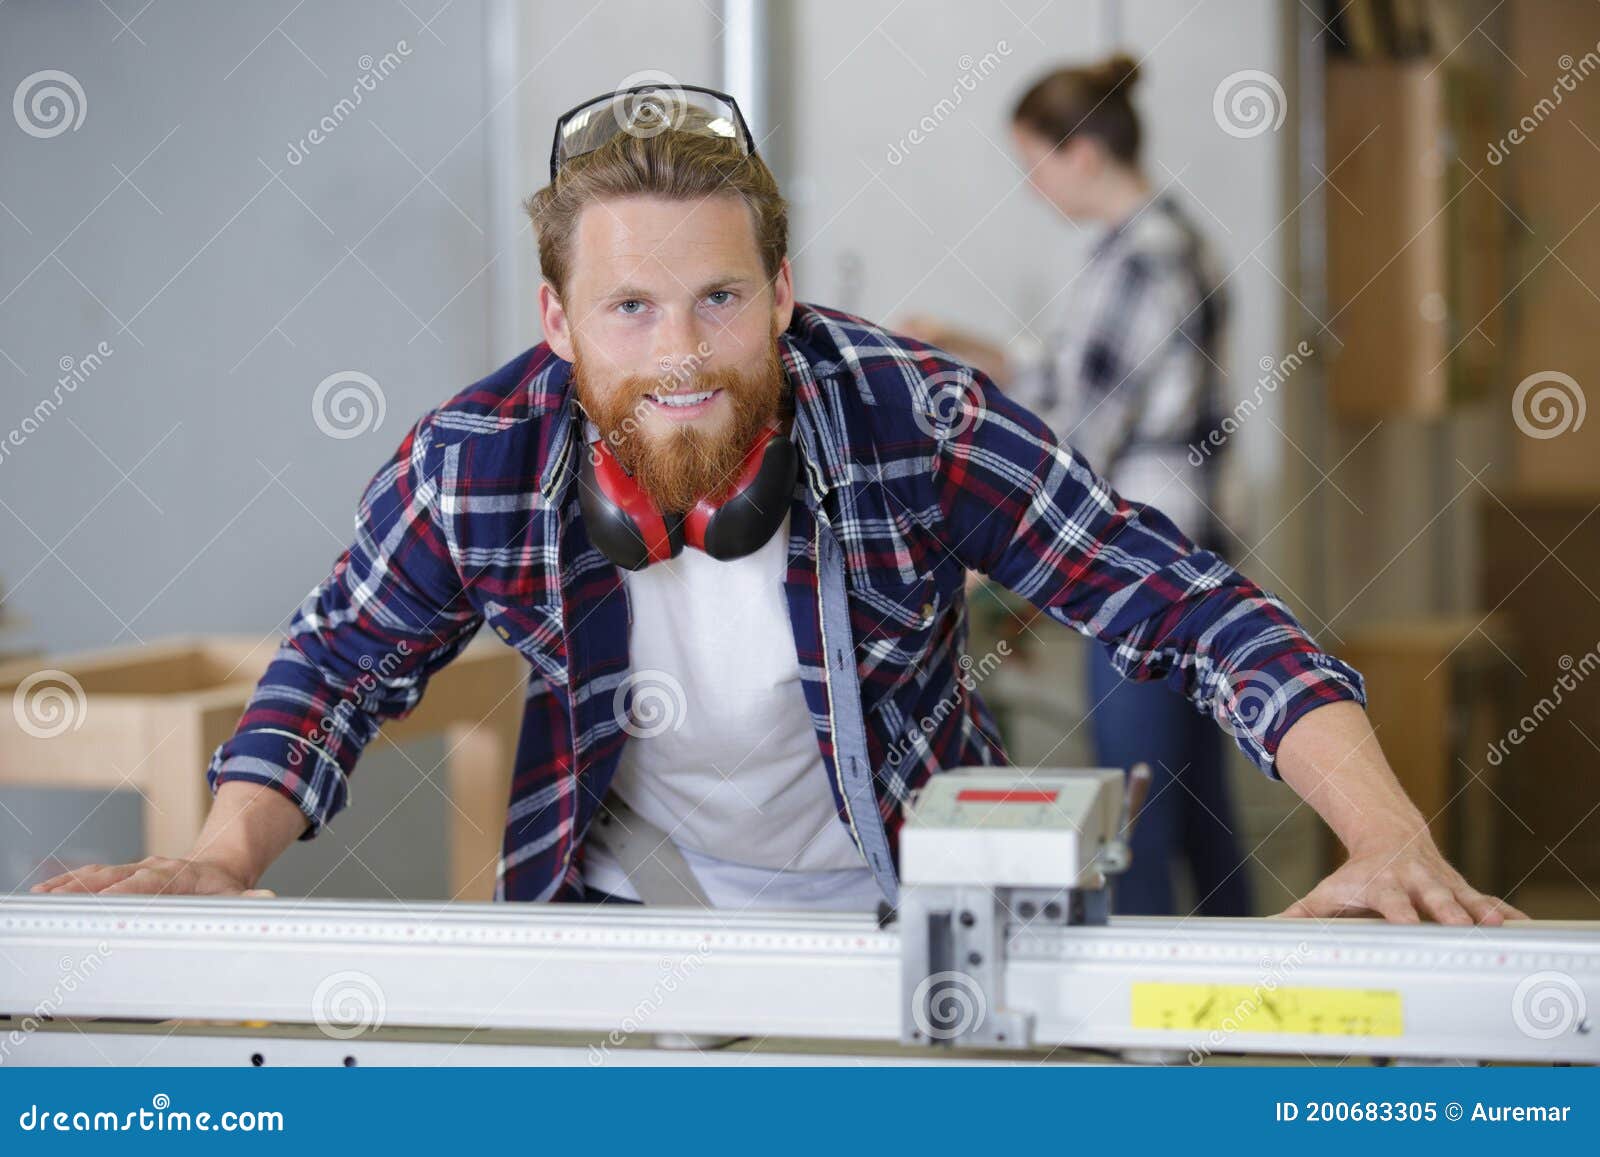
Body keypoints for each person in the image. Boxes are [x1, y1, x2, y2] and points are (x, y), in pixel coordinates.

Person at [34, 84, 1523, 927]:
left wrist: (1385, 836)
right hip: (633, 915)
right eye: (629, 308)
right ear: (557, 322)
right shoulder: (470, 463)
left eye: (718, 299)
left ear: (783, 297)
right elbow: (337, 661)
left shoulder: (908, 419)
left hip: (916, 905)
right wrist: (224, 855)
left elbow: (1188, 603)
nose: (678, 352)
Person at [899, 55, 1249, 917]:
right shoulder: (1172, 241)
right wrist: (970, 344)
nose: (1034, 186)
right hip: (1192, 557)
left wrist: (982, 560)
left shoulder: (1140, 262)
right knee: (1201, 805)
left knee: (1135, 812)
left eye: (1035, 163)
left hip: (1141, 570)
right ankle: (1247, 1017)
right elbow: (1081, 376)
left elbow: (1081, 436)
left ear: (1081, 154)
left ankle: (1140, 1026)